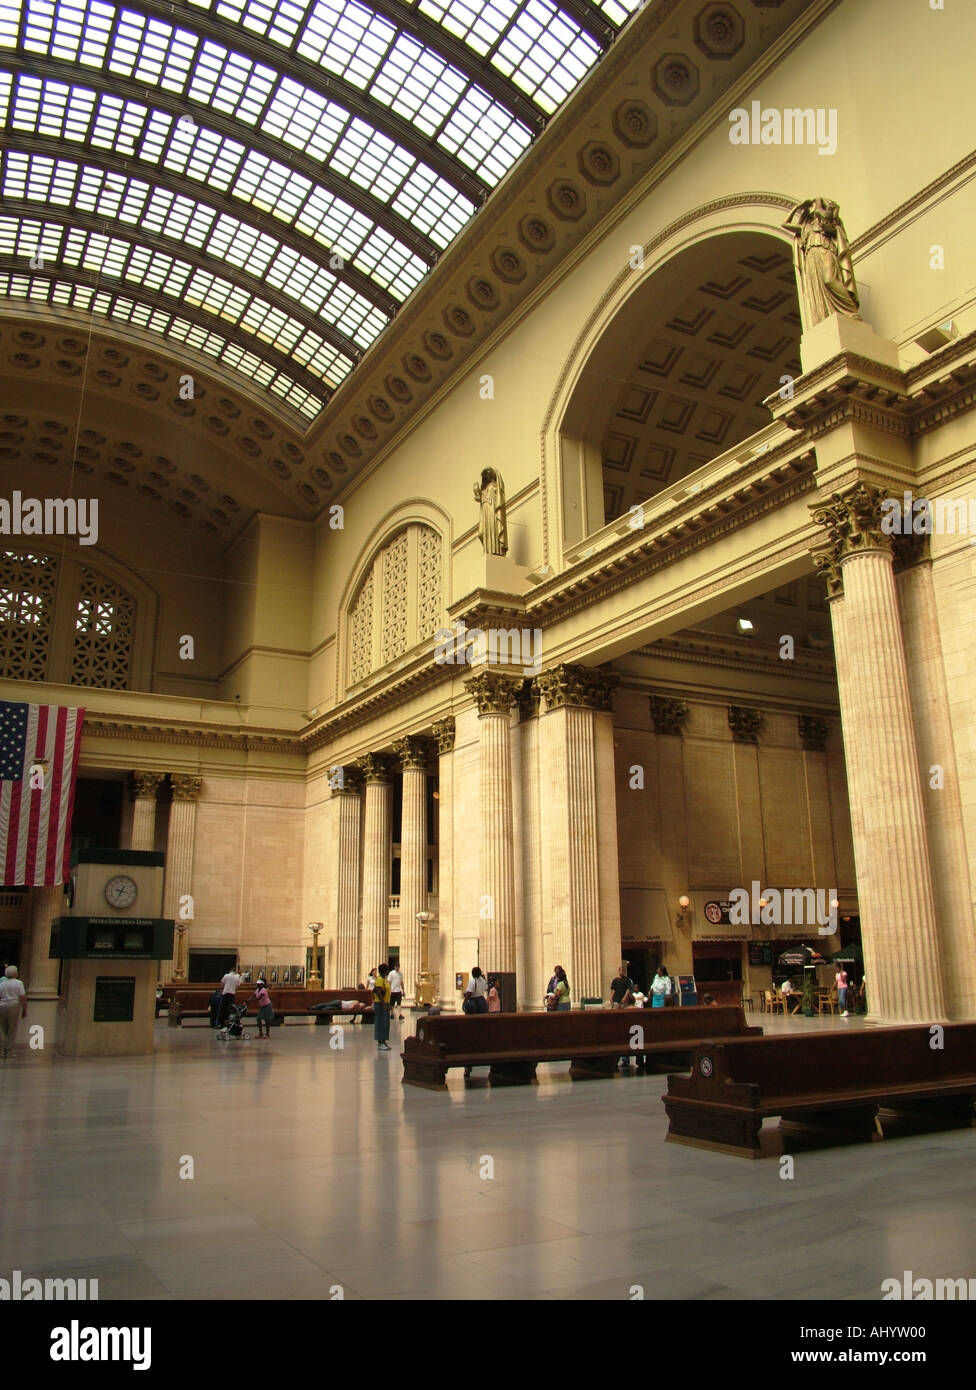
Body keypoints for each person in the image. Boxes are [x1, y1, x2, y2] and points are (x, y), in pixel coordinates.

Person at [0, 964, 27, 1058]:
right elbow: (22, 997)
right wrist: (24, 1010)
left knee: (3, 1029)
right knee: (12, 1029)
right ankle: (9, 1050)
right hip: (14, 1005)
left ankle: (2, 1050)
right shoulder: (19, 983)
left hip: (2, 1006)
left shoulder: (2, 984)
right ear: (15, 973)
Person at [373, 963, 392, 1050]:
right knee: (381, 1022)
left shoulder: (385, 980)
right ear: (384, 970)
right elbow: (378, 992)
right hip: (380, 1004)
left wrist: (389, 1004)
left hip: (385, 1003)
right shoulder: (379, 980)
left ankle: (384, 1041)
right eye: (387, 969)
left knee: (385, 1023)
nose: (388, 971)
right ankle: (380, 1042)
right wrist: (384, 1003)